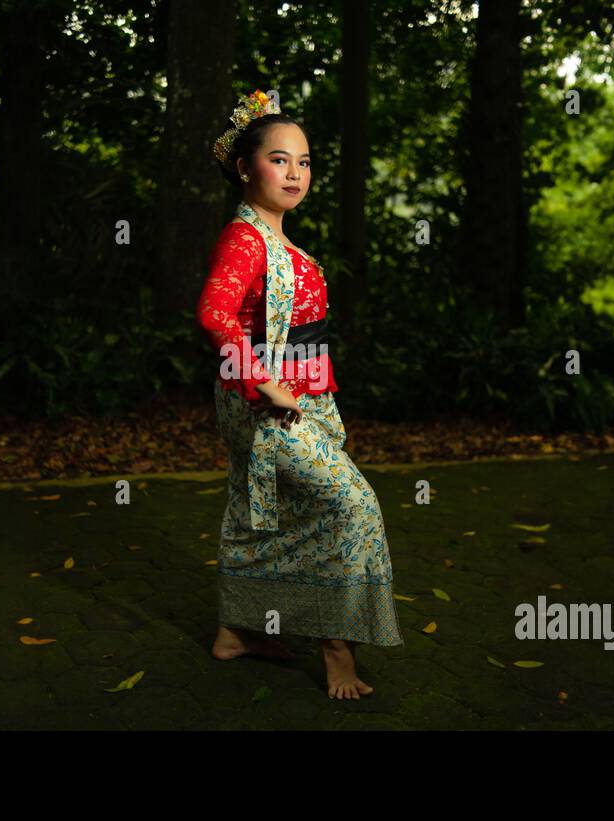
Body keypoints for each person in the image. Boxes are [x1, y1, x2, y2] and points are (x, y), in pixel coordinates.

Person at [195, 89, 403, 700]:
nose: (295, 173)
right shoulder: (246, 239)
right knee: (354, 507)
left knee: (268, 513)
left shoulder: (275, 237)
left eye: (305, 162)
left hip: (298, 397)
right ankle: (337, 648)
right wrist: (263, 381)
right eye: (280, 159)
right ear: (245, 167)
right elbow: (214, 314)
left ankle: (237, 631)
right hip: (268, 406)